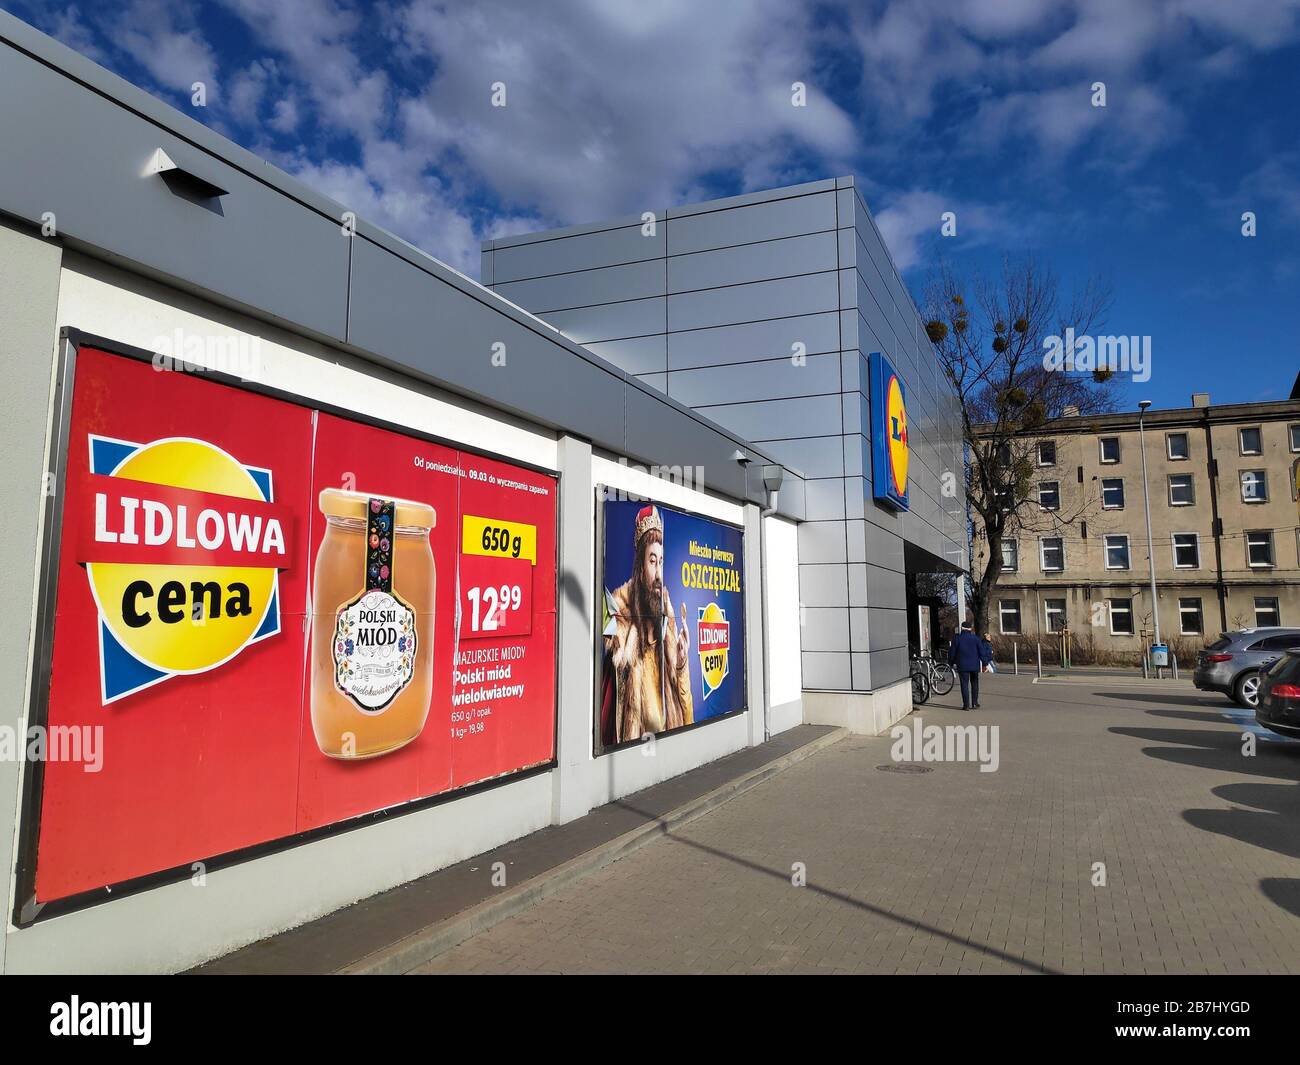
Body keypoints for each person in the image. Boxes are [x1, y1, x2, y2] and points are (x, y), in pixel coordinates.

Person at [600, 505, 693, 744]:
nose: (659, 573)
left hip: (669, 742)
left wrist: (681, 663)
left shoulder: (667, 617)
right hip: (636, 748)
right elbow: (613, 706)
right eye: (653, 561)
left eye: (661, 561)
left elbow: (684, 707)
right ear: (641, 566)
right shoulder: (620, 615)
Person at [949, 621, 983, 711]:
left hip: (962, 666)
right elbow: (981, 651)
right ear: (970, 629)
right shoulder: (976, 639)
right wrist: (985, 662)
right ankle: (975, 703)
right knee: (975, 683)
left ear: (962, 628)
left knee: (964, 684)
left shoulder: (957, 639)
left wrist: (951, 662)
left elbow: (952, 652)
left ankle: (966, 705)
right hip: (974, 666)